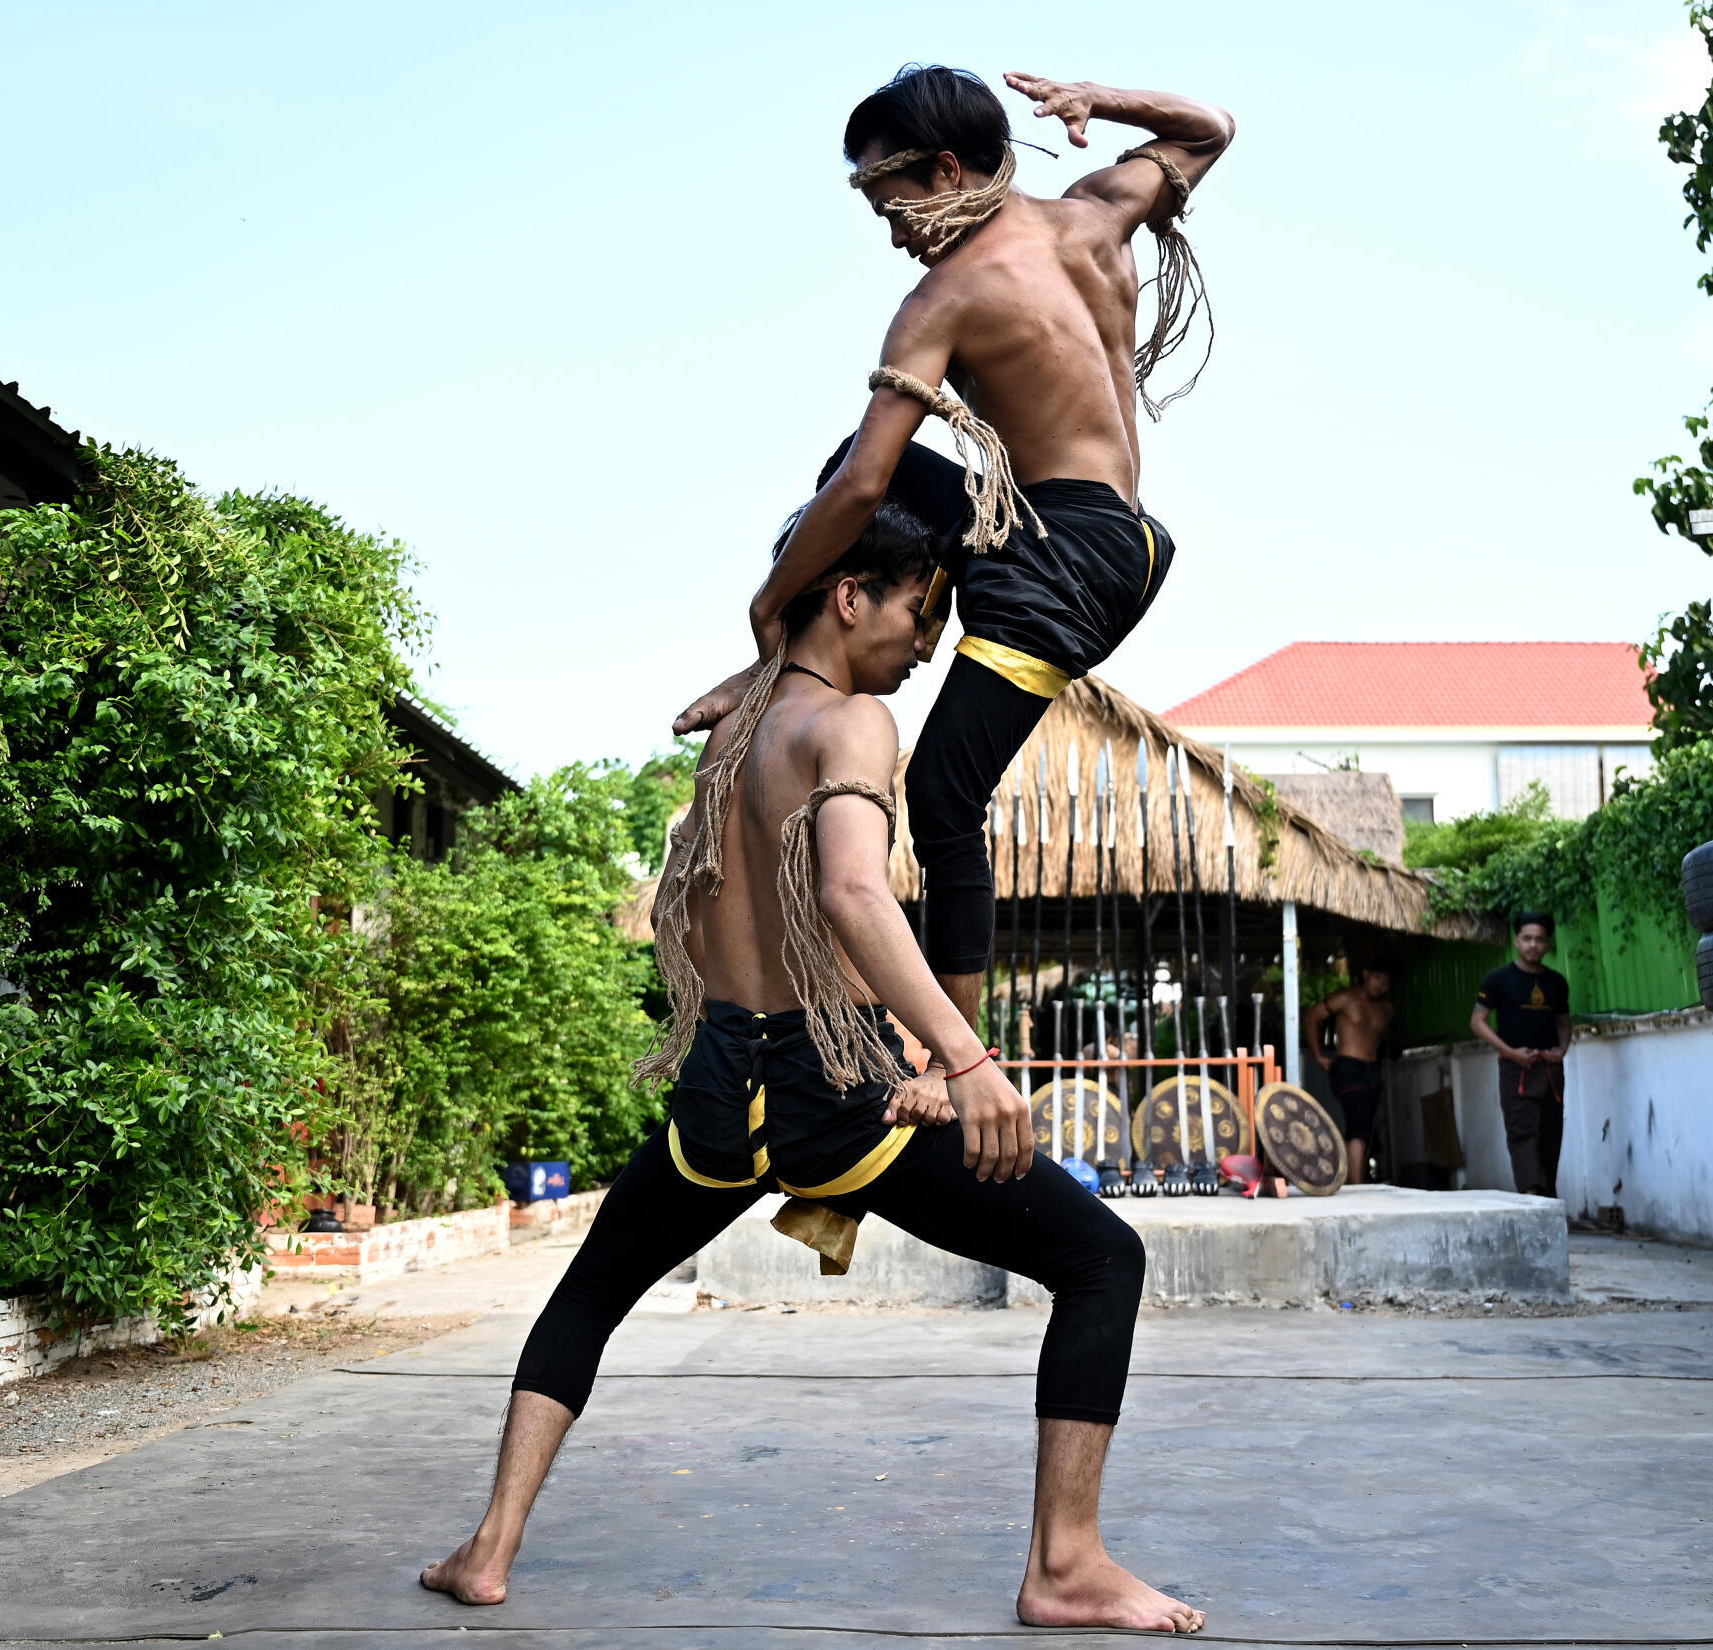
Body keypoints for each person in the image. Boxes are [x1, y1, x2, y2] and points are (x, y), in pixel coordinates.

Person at [422, 505, 1202, 1635]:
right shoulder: (854, 725)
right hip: (834, 1093)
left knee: (592, 1288)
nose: (927, 642)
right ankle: (1064, 1564)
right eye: (918, 610)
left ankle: (486, 1549)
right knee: (1099, 1260)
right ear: (850, 597)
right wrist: (965, 1059)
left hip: (716, 1092)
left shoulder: (730, 735)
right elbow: (850, 890)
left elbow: (690, 913)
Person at [673, 65, 1235, 1036]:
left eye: (891, 206)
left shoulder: (947, 297)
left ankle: (951, 1062)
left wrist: (769, 609)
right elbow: (1208, 127)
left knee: (939, 793)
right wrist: (1097, 102)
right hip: (1088, 529)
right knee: (854, 460)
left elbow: (859, 492)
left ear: (941, 170)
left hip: (1061, 559)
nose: (891, 234)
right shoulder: (1094, 214)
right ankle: (829, 650)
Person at [1470, 913, 1572, 1199]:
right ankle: (1531, 1194)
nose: (1533, 945)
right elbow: (1477, 1022)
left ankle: (1548, 1198)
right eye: (1527, 938)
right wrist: (1511, 1053)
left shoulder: (1556, 983)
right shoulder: (1498, 980)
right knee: (1522, 1131)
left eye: (1540, 939)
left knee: (1551, 1133)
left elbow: (1564, 1022)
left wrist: (1561, 1050)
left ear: (1548, 944)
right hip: (1517, 1069)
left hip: (1550, 1070)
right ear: (1517, 941)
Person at [1305, 963, 1392, 1188]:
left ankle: (1354, 1177)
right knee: (1359, 1123)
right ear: (1366, 973)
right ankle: (1356, 1184)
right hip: (1347, 1067)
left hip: (1372, 1069)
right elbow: (1312, 1017)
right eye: (1376, 978)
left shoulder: (1386, 1009)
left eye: (1384, 982)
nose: (1379, 985)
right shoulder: (1346, 998)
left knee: (1367, 1127)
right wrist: (1317, 1054)